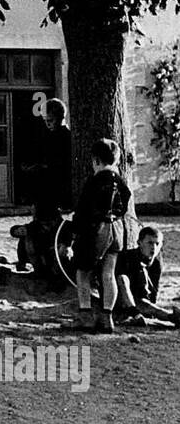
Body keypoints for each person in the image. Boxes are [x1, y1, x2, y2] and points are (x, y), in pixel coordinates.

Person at [71, 137, 131, 334]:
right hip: (117, 229)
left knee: (83, 272)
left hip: (96, 230)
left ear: (95, 160)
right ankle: (107, 316)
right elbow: (126, 200)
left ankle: (85, 315)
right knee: (108, 273)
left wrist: (75, 227)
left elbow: (84, 209)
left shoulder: (94, 181)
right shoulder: (120, 181)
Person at [115, 226, 180, 328]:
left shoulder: (156, 264)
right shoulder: (127, 257)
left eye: (157, 244)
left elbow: (153, 290)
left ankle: (172, 317)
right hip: (121, 299)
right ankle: (135, 313)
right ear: (139, 243)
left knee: (149, 306)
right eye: (150, 243)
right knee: (123, 278)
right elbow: (120, 282)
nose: (154, 247)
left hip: (140, 301)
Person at [24, 98, 73, 216]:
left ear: (60, 118)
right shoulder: (46, 136)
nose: (47, 124)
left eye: (50, 120)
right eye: (45, 120)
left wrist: (41, 166)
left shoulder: (66, 137)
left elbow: (62, 163)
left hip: (57, 188)